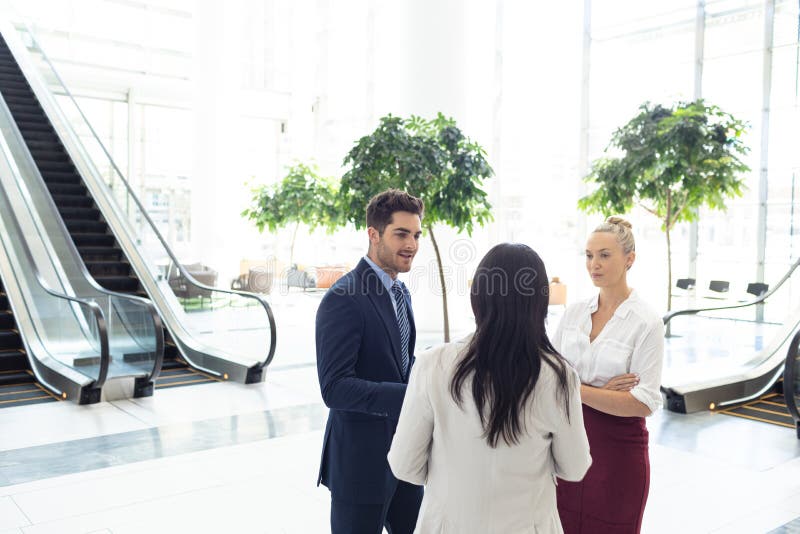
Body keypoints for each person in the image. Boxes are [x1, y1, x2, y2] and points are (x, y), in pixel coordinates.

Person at [388, 243, 592, 533]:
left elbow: (404, 465)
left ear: (477, 297)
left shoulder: (433, 364)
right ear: (539, 302)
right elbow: (575, 467)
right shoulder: (558, 376)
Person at [316, 189, 425, 534]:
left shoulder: (400, 291)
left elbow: (400, 361)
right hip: (361, 465)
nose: (412, 244)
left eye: (416, 234)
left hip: (405, 456)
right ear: (373, 234)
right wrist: (413, 395)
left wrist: (435, 374)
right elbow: (335, 388)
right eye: (402, 234)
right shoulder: (343, 298)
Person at [554, 216, 665, 534]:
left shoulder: (646, 322)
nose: (594, 264)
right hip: (567, 447)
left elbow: (643, 402)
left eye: (604, 255)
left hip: (618, 455)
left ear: (629, 259)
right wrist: (605, 391)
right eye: (589, 255)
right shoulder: (574, 313)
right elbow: (546, 376)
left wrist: (575, 387)